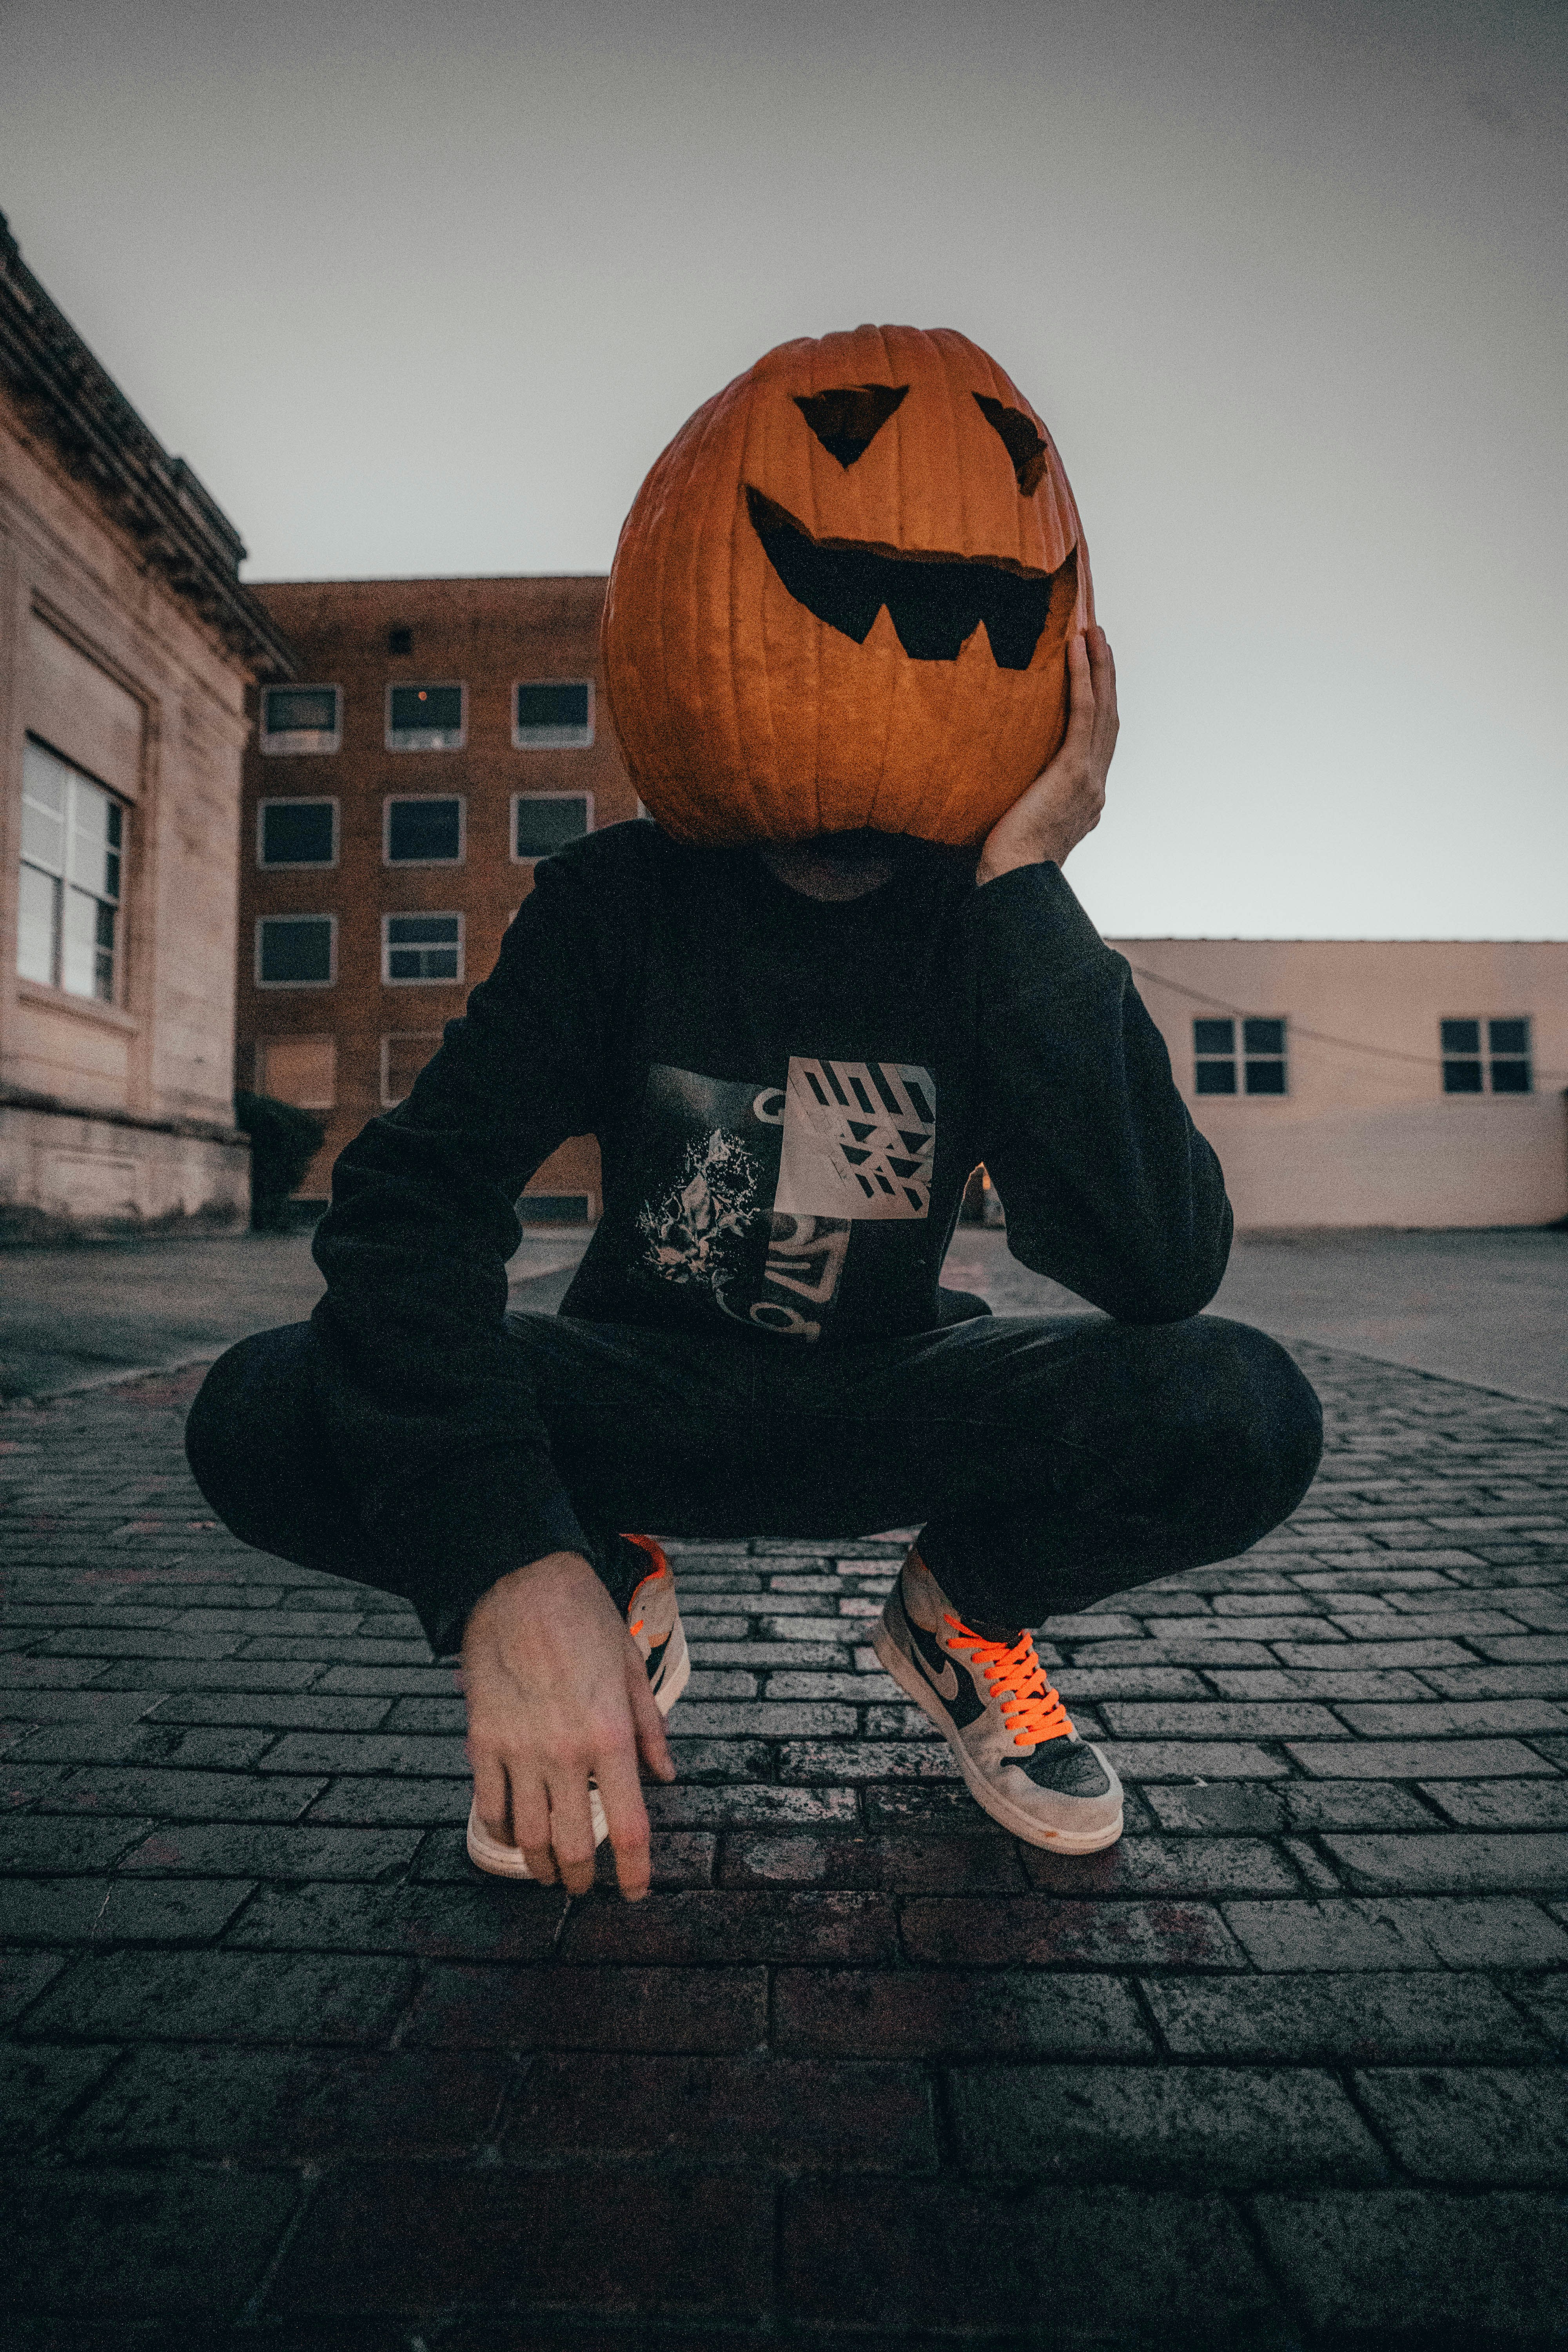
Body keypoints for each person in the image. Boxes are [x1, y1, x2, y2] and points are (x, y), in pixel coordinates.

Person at [187, 627, 1323, 1904]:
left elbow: (1163, 1263)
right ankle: (604, 1585)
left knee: (1244, 1403)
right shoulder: (618, 898)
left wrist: (1028, 887)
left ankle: (968, 1616)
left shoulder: (996, 929)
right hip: (629, 1393)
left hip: (892, 1392)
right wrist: (506, 1555)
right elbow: (412, 1205)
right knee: (265, 1408)